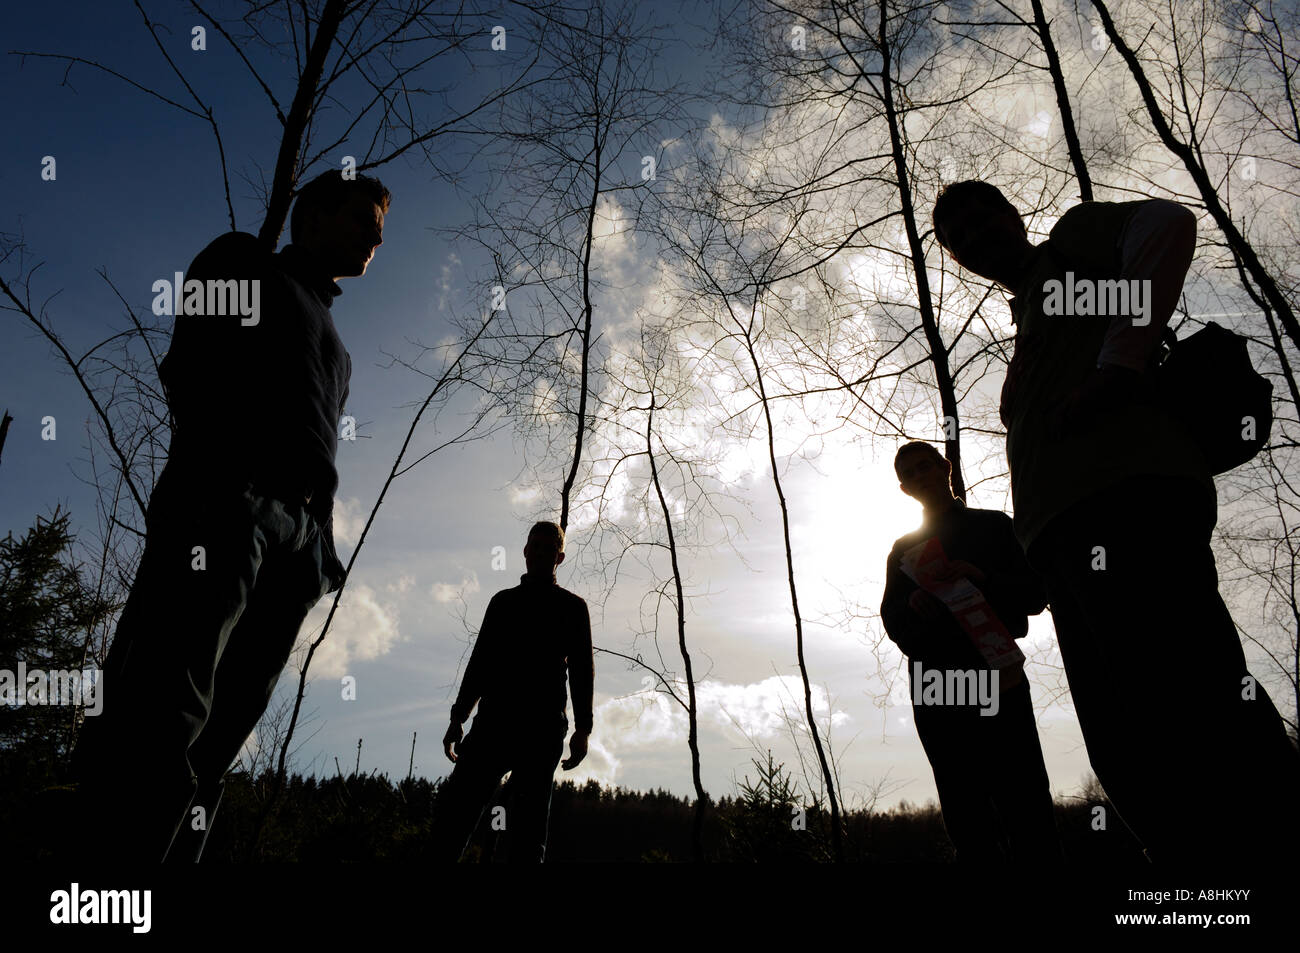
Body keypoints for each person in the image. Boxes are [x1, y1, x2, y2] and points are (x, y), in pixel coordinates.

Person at [931, 180, 1300, 863]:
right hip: (1063, 546)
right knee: (1123, 743)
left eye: (985, 213)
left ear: (1016, 215)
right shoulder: (1030, 323)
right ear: (956, 259)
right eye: (957, 233)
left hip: (1127, 510)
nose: (975, 232)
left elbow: (1165, 224)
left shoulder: (1071, 246)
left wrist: (1120, 365)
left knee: (1194, 701)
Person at [70, 170, 390, 862]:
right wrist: (227, 478)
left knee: (219, 739)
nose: (377, 234)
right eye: (364, 216)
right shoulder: (245, 263)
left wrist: (318, 553)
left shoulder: (340, 346)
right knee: (165, 709)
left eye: (383, 227)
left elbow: (319, 437)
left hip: (296, 545)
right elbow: (187, 367)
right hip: (228, 503)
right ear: (312, 214)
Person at [881, 440, 1060, 862]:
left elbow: (1035, 594)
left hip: (994, 671)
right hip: (935, 681)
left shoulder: (994, 526)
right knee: (964, 808)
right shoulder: (901, 550)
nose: (920, 477)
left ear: (945, 467)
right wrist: (913, 606)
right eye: (910, 474)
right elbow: (892, 620)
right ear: (903, 489)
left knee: (1024, 798)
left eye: (926, 466)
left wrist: (983, 578)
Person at [434, 521, 594, 862]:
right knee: (452, 821)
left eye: (548, 549)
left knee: (527, 832)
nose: (539, 553)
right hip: (494, 722)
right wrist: (458, 717)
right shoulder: (503, 603)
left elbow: (581, 670)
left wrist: (583, 729)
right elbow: (480, 664)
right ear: (524, 551)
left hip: (542, 728)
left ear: (559, 557)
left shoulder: (572, 607)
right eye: (534, 546)